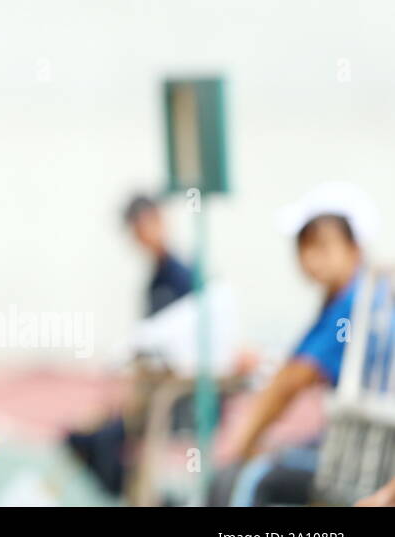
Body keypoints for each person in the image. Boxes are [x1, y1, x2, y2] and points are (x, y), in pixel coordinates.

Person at [207, 182, 379, 506]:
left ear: (355, 248)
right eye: (304, 246)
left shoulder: (355, 304)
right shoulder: (344, 301)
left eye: (322, 245)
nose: (311, 257)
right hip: (346, 448)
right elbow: (293, 367)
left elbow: (293, 379)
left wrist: (241, 442)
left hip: (361, 461)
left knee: (245, 478)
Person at [64, 193, 197, 498]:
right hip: (148, 395)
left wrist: (131, 399)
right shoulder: (157, 279)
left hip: (171, 400)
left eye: (145, 226)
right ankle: (148, 497)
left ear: (159, 221)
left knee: (97, 440)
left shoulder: (182, 278)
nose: (141, 237)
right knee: (80, 437)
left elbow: (178, 351)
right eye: (136, 231)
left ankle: (156, 500)